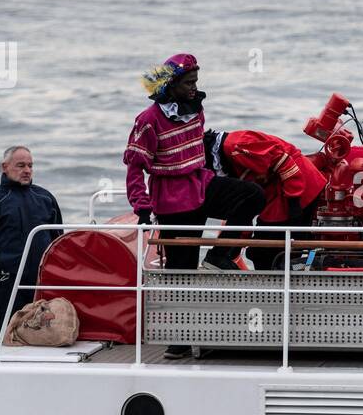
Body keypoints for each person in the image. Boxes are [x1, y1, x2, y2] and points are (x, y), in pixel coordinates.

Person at [124, 52, 265, 274]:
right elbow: (135, 168)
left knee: (252, 195)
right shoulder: (148, 120)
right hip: (173, 199)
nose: (194, 87)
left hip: (201, 184)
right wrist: (142, 208)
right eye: (189, 83)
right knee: (182, 266)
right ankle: (171, 305)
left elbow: (201, 149)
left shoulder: (195, 109)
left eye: (196, 82)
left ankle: (219, 256)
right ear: (171, 84)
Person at [0, 146, 63, 348]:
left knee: (42, 340)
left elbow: (59, 243)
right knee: (3, 343)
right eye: (20, 165)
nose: (27, 170)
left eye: (30, 165)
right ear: (5, 167)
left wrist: (57, 278)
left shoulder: (45, 198)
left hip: (40, 285)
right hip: (6, 285)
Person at [202, 128, 328, 269]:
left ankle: (279, 286)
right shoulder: (226, 161)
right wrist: (239, 238)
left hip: (300, 188)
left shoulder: (237, 145)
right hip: (276, 194)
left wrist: (293, 201)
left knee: (269, 251)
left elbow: (284, 161)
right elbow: (245, 201)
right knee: (263, 251)